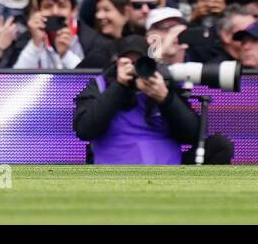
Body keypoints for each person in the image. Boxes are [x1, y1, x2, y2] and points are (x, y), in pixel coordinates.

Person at [72, 34, 220, 165]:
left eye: (140, 63)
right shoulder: (101, 85)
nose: (135, 69)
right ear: (117, 63)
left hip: (167, 164)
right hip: (115, 164)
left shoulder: (164, 84)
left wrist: (166, 98)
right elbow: (85, 130)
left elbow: (193, 135)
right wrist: (119, 86)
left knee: (219, 145)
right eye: (129, 63)